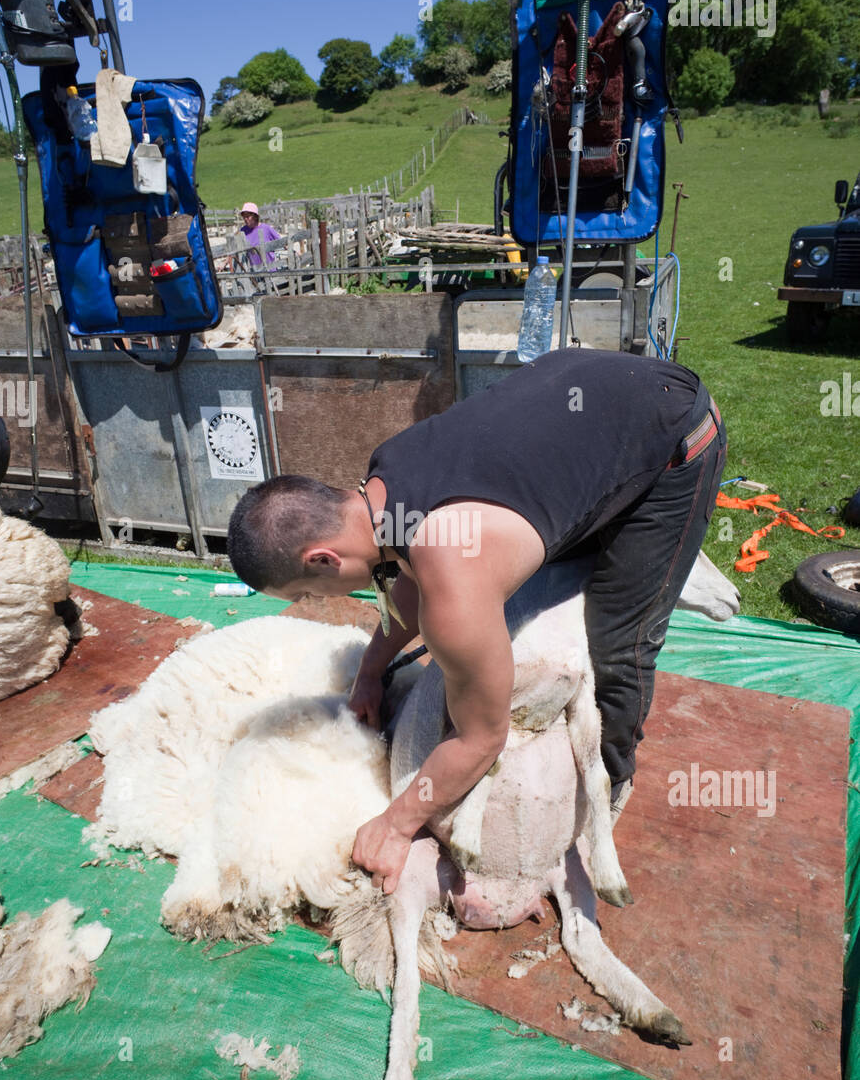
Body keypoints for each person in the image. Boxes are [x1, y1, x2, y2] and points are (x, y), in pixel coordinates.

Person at [226, 349, 726, 895]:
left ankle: (606, 792)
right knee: (540, 558)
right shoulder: (384, 478)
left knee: (618, 641)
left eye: (306, 592)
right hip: (596, 387)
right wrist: (372, 669)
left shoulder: (454, 586)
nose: (318, 601)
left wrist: (394, 825)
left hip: (677, 432)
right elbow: (410, 575)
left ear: (322, 559)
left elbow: (483, 738)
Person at [238, 202, 282, 270]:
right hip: (254, 271)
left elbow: (281, 242)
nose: (245, 219)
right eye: (244, 217)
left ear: (255, 216)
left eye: (248, 216)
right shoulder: (242, 231)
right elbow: (234, 248)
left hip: (270, 269)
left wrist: (295, 253)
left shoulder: (266, 228)